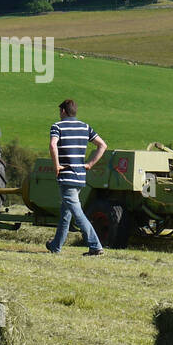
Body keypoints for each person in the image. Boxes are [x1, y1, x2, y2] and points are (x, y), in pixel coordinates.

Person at [46, 98, 107, 256]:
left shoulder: (57, 126)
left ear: (63, 111)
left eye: (60, 111)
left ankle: (95, 245)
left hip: (67, 176)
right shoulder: (85, 127)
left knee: (77, 213)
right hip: (80, 177)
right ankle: (55, 246)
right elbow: (102, 145)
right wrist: (90, 164)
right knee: (66, 213)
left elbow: (53, 145)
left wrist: (56, 165)